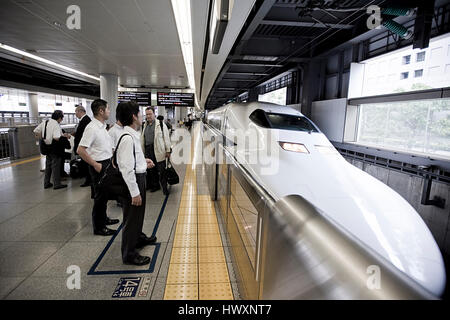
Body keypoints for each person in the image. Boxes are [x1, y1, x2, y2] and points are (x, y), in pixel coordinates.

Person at [116, 101, 157, 265]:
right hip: (133, 183)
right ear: (134, 116)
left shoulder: (131, 134)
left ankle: (138, 238)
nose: (142, 116)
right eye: (140, 113)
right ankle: (129, 254)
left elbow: (131, 161)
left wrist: (143, 162)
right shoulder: (127, 138)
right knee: (132, 218)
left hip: (139, 177)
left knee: (137, 215)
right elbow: (126, 168)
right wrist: (135, 192)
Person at [77, 99, 119, 236]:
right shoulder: (92, 128)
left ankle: (104, 219)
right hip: (99, 166)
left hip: (106, 163)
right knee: (99, 198)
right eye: (107, 109)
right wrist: (95, 165)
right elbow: (81, 150)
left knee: (105, 195)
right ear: (101, 111)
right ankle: (99, 227)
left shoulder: (102, 126)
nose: (109, 111)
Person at [33, 110, 70, 190]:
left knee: (48, 166)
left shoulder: (45, 122)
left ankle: (46, 183)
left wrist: (44, 138)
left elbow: (36, 131)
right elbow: (56, 137)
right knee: (55, 166)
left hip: (46, 147)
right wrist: (64, 136)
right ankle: (57, 184)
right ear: (59, 118)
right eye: (62, 118)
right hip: (55, 148)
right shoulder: (56, 124)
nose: (62, 120)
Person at [141, 107, 171, 195]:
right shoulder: (144, 125)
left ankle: (164, 187)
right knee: (151, 170)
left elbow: (166, 138)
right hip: (148, 150)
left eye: (150, 114)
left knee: (161, 170)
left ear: (154, 114)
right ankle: (155, 185)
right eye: (147, 114)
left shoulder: (160, 124)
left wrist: (168, 150)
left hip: (158, 150)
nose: (148, 116)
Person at [73, 105, 92, 187]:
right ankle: (88, 180)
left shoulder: (85, 120)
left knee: (86, 164)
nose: (75, 114)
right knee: (85, 164)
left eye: (76, 112)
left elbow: (82, 135)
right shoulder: (84, 120)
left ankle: (88, 181)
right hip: (84, 146)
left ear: (80, 111)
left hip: (85, 147)